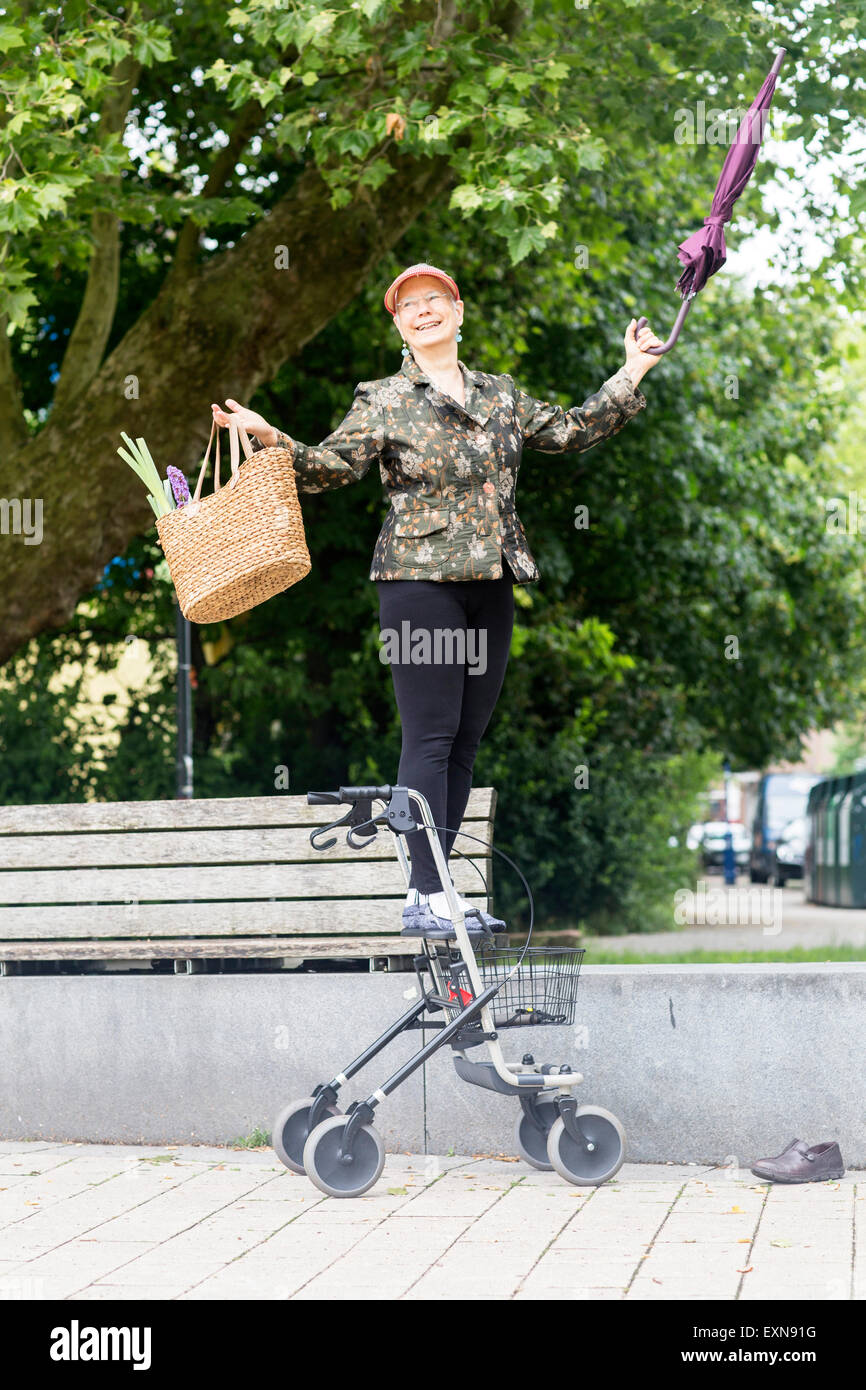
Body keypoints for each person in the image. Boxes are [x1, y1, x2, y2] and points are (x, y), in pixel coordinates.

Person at [211, 263, 662, 939]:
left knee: (465, 744)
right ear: (399, 325)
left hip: (492, 584)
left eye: (435, 300)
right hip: (418, 585)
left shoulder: (501, 395)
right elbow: (334, 467)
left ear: (458, 310)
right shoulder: (384, 399)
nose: (423, 311)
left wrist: (632, 372)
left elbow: (570, 430)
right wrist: (274, 437)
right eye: (408, 306)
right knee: (431, 735)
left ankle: (442, 891)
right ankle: (425, 896)